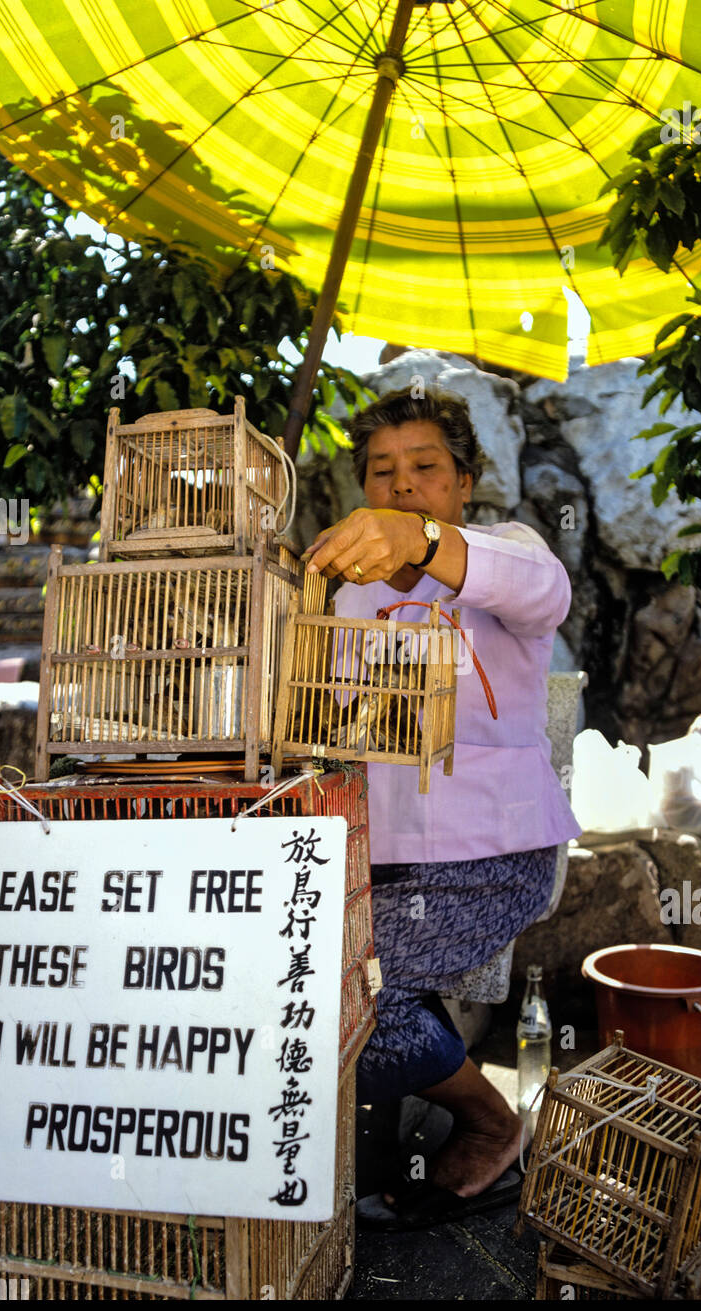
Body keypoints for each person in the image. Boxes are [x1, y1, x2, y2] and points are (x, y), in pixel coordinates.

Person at [301, 387, 581, 1229]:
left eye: (425, 468)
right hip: (371, 857)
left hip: (493, 858)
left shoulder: (505, 554)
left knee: (348, 999)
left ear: (464, 483)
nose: (402, 485)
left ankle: (492, 1121)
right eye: (381, 472)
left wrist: (424, 543)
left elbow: (546, 592)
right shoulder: (342, 594)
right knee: (287, 973)